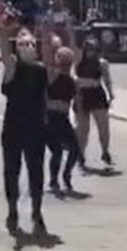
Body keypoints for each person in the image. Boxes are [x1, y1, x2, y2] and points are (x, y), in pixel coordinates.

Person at [0, 3, 50, 236]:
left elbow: (48, 53)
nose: (27, 46)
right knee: (12, 170)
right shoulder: (13, 67)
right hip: (14, 126)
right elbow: (5, 50)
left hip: (36, 126)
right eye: (23, 44)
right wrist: (6, 31)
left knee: (36, 171)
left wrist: (46, 32)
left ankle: (37, 211)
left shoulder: (40, 69)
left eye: (30, 43)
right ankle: (12, 209)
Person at [74, 37, 114, 170]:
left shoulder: (102, 63)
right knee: (82, 129)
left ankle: (105, 151)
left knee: (103, 126)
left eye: (93, 49)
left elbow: (107, 80)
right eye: (88, 49)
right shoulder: (78, 61)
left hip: (96, 94)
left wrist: (110, 94)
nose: (90, 52)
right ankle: (80, 154)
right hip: (82, 95)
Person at [46, 47, 80, 193]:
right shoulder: (52, 76)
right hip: (50, 118)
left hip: (63, 119)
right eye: (63, 61)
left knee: (75, 149)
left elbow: (76, 105)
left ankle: (66, 175)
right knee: (57, 151)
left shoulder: (73, 82)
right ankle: (54, 180)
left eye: (68, 62)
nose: (66, 65)